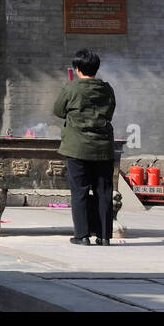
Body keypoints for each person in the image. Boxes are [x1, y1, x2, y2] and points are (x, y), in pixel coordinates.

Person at [53, 48, 117, 245]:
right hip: (103, 148)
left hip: (77, 148)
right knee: (103, 192)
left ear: (78, 68)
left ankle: (82, 236)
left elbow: (58, 111)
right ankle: (104, 236)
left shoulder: (71, 88)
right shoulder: (107, 89)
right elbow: (110, 112)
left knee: (80, 191)